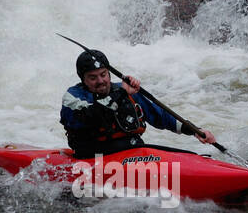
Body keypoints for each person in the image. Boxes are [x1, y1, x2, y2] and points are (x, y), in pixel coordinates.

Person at [60, 48, 216, 158]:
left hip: (133, 153)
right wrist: (122, 93)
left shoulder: (124, 92)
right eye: (93, 77)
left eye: (103, 74)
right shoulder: (73, 97)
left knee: (190, 155)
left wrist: (195, 130)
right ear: (83, 79)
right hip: (95, 158)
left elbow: (161, 116)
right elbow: (93, 117)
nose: (101, 81)